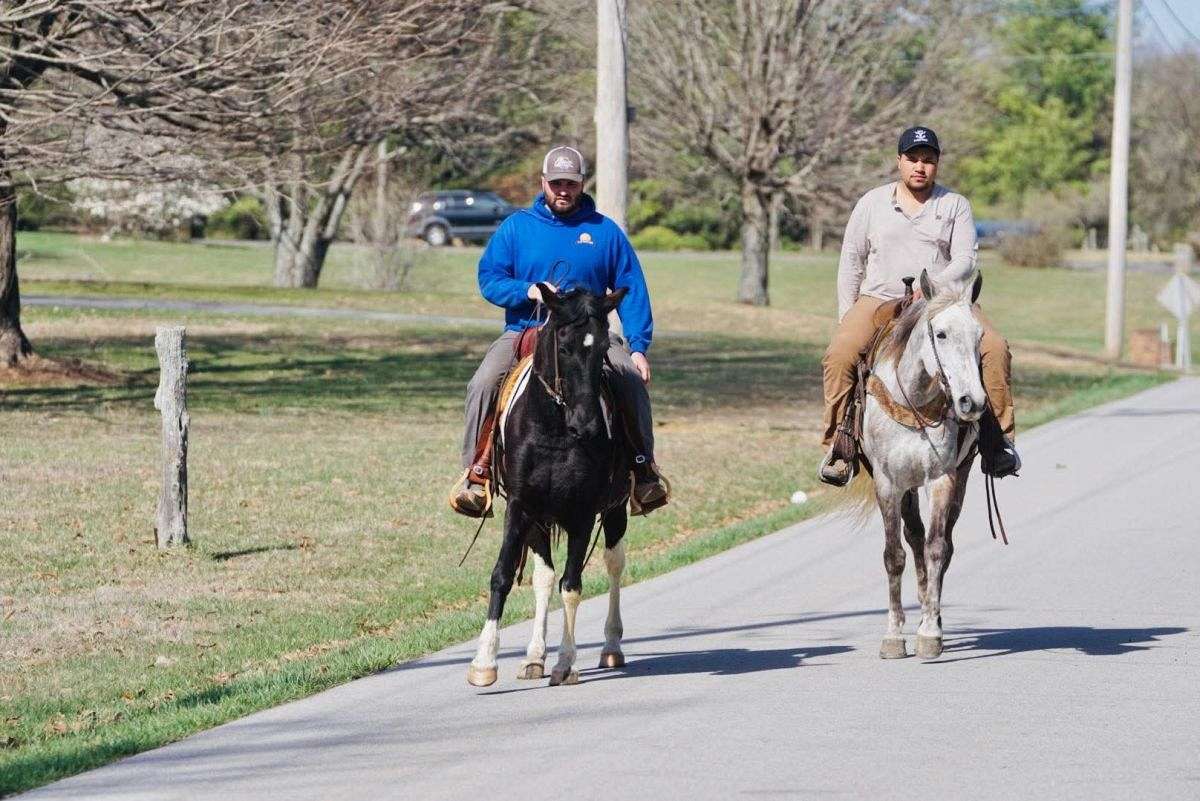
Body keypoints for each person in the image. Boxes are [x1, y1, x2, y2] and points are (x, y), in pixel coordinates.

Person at [450, 145, 669, 517]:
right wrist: (527, 290)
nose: (563, 190)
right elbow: (489, 278)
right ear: (543, 183)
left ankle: (643, 470)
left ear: (582, 184)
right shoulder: (517, 227)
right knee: (483, 382)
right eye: (556, 183)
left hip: (589, 334)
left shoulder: (605, 231)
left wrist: (638, 346)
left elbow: (631, 285)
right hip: (527, 329)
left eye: (570, 183)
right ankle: (477, 473)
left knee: (629, 379)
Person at [818, 125, 1020, 486]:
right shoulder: (871, 203)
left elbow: (964, 261)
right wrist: (846, 316)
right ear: (899, 161)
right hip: (879, 298)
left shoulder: (954, 205)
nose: (920, 167)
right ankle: (838, 445)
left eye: (928, 160)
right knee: (840, 354)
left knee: (994, 346)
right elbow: (851, 262)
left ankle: (998, 441)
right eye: (912, 159)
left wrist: (932, 287)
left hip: (942, 301)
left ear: (937, 164)